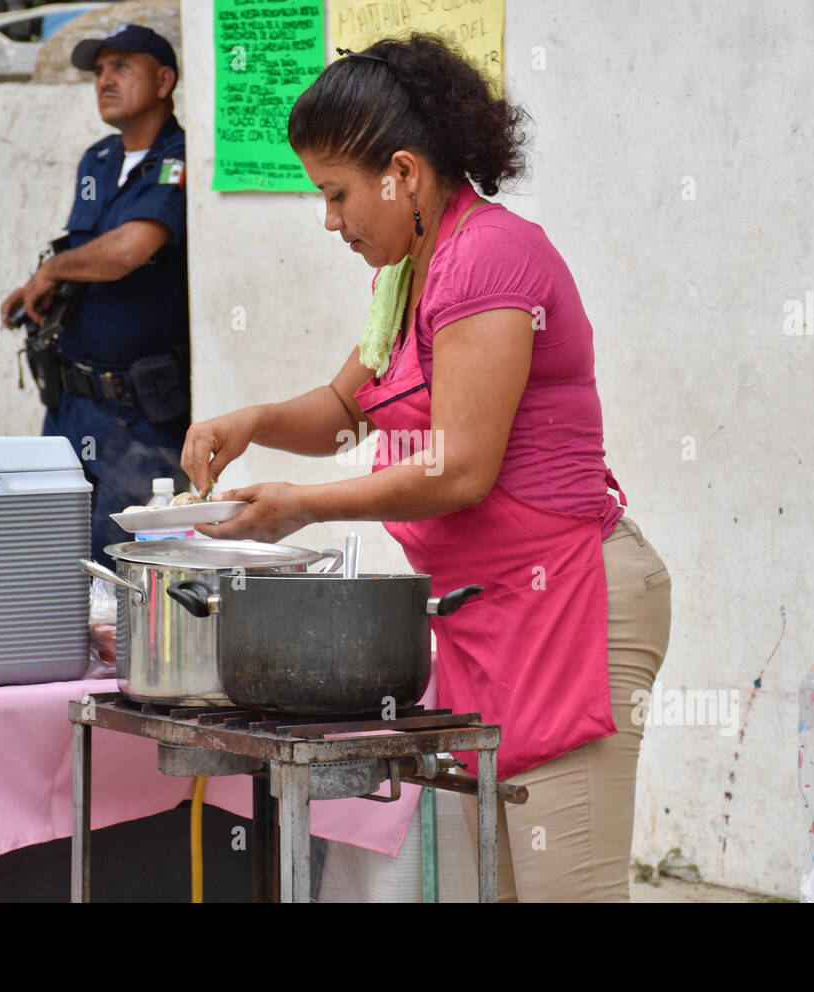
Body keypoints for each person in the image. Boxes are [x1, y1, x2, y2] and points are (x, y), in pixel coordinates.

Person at [181, 34, 672, 902]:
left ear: (401, 173)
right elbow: (342, 415)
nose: (331, 221)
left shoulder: (489, 256)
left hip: (569, 605)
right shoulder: (408, 280)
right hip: (493, 619)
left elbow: (458, 471)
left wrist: (303, 507)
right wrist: (249, 421)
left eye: (336, 194)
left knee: (572, 890)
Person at [1, 24, 191, 565]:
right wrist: (39, 286)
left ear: (163, 80)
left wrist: (53, 270)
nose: (104, 80)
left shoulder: (180, 156)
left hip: (136, 415)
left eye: (121, 67)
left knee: (127, 573)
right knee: (51, 563)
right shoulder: (99, 159)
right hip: (68, 404)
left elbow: (130, 248)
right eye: (98, 70)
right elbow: (89, 254)